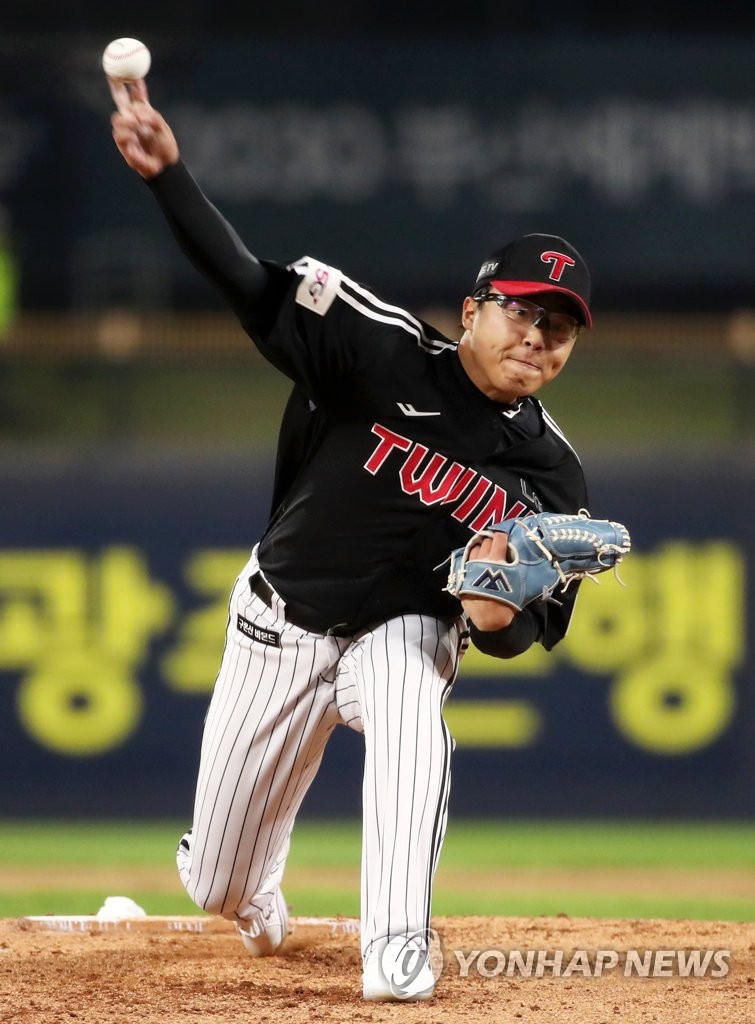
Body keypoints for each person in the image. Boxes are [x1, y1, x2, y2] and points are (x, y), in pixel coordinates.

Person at [109, 77, 592, 1002]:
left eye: (560, 326)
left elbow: (526, 629)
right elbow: (250, 287)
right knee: (216, 884)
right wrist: (169, 178)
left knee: (415, 717)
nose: (538, 335)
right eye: (523, 311)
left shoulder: (552, 476)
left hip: (400, 631)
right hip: (280, 621)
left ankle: (396, 951)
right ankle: (257, 896)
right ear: (473, 308)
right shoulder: (378, 349)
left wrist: (496, 618)